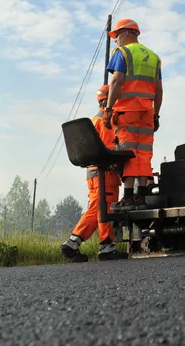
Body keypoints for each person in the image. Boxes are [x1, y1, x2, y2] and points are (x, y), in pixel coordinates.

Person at [60, 85, 128, 262]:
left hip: (94, 175)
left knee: (98, 208)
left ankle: (80, 244)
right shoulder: (106, 122)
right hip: (105, 173)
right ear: (107, 100)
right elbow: (109, 150)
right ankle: (87, 244)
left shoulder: (94, 120)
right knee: (101, 210)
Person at [103, 19, 163, 211]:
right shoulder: (154, 57)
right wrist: (156, 114)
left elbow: (116, 82)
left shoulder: (122, 53)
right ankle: (141, 196)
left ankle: (128, 197)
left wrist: (109, 108)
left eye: (116, 36)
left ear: (126, 33)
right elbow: (159, 90)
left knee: (128, 153)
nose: (115, 41)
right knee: (144, 153)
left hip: (127, 112)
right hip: (147, 113)